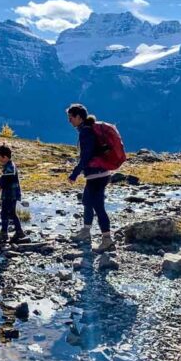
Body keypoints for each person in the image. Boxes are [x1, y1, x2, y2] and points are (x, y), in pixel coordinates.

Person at [66, 104, 113, 253]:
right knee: (87, 201)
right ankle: (86, 231)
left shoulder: (86, 132)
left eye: (71, 118)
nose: (70, 121)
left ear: (79, 117)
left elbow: (86, 156)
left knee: (98, 206)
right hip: (98, 173)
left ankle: (107, 239)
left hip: (96, 175)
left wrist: (74, 173)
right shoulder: (88, 129)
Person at [0, 144, 25, 243]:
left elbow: (7, 178)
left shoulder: (10, 167)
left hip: (10, 194)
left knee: (7, 212)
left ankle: (5, 232)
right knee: (9, 212)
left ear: (5, 157)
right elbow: (4, 177)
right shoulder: (9, 165)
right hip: (10, 193)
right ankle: (17, 231)